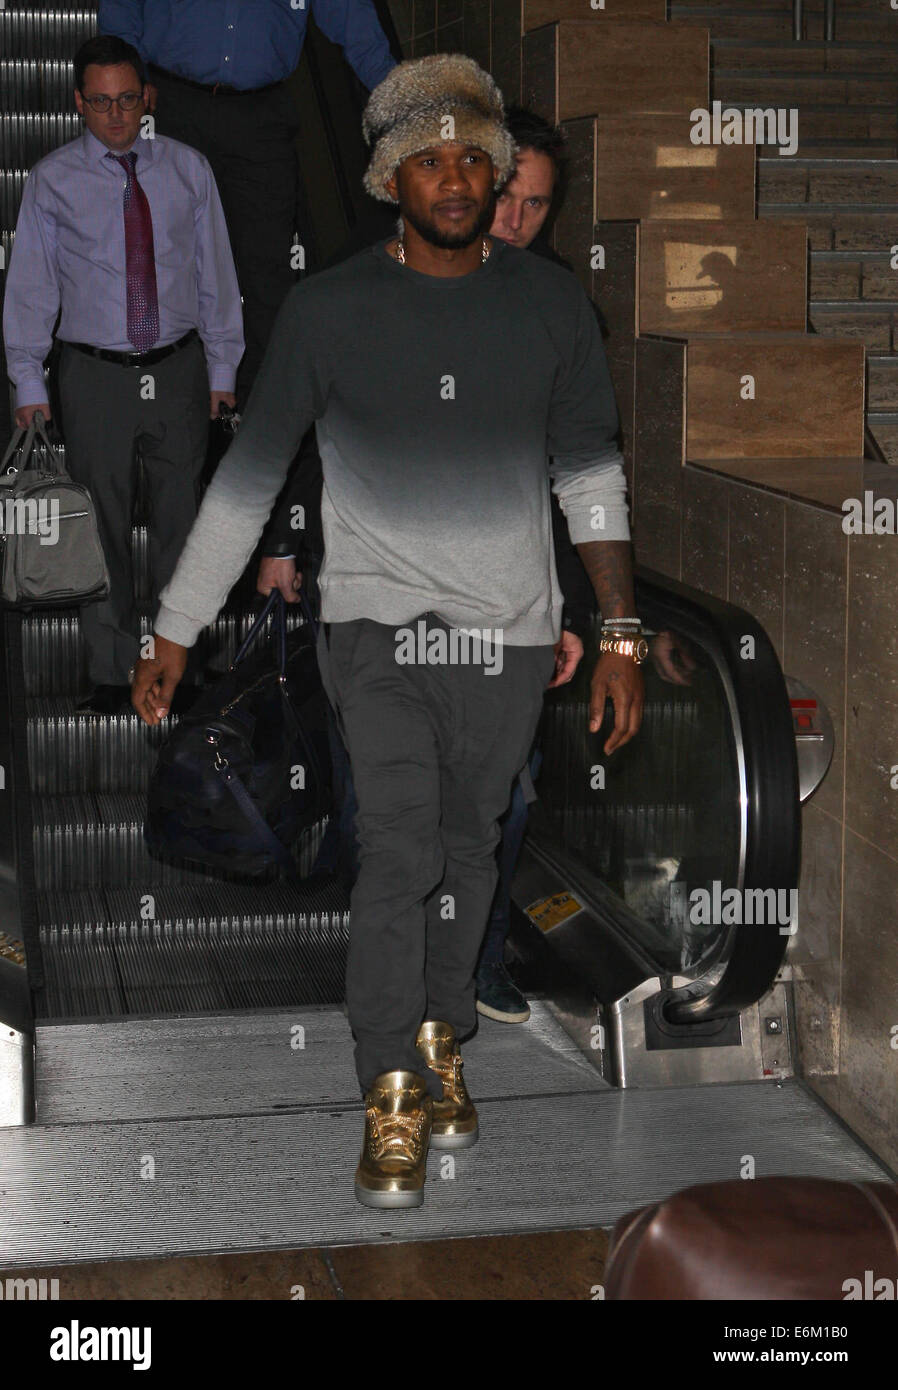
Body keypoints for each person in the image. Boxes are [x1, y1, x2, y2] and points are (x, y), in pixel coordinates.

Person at [131, 55, 645, 1210]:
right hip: (376, 628)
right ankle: (389, 1091)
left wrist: (618, 631)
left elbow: (593, 475)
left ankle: (440, 1029)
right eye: (430, 159)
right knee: (403, 845)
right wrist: (173, 628)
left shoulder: (550, 303)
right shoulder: (328, 309)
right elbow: (248, 480)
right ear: (389, 179)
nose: (456, 178)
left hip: (509, 635)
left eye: (475, 157)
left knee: (471, 852)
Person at [257, 106, 598, 1017]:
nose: (517, 219)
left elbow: (571, 480)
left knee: (496, 805)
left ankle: (466, 969)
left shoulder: (551, 299)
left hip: (504, 610)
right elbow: (302, 430)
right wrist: (287, 538)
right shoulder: (367, 291)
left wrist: (580, 613)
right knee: (395, 811)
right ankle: (399, 982)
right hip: (378, 595)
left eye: (537, 204)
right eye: (509, 196)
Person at [2, 35, 243, 714]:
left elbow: (217, 277)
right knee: (99, 525)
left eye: (127, 100)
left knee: (184, 522)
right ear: (79, 102)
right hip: (93, 373)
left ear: (148, 98)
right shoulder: (52, 179)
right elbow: (30, 289)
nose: (115, 115)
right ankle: (112, 672)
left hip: (177, 368)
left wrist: (222, 368)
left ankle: (181, 661)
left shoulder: (189, 171)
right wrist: (29, 383)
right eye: (100, 102)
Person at [98, 0, 396, 405]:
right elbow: (122, 10)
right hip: (171, 107)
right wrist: (128, 77)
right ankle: (166, 404)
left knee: (268, 272)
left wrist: (402, 105)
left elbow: (354, 21)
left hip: (262, 115)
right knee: (166, 262)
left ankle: (258, 413)